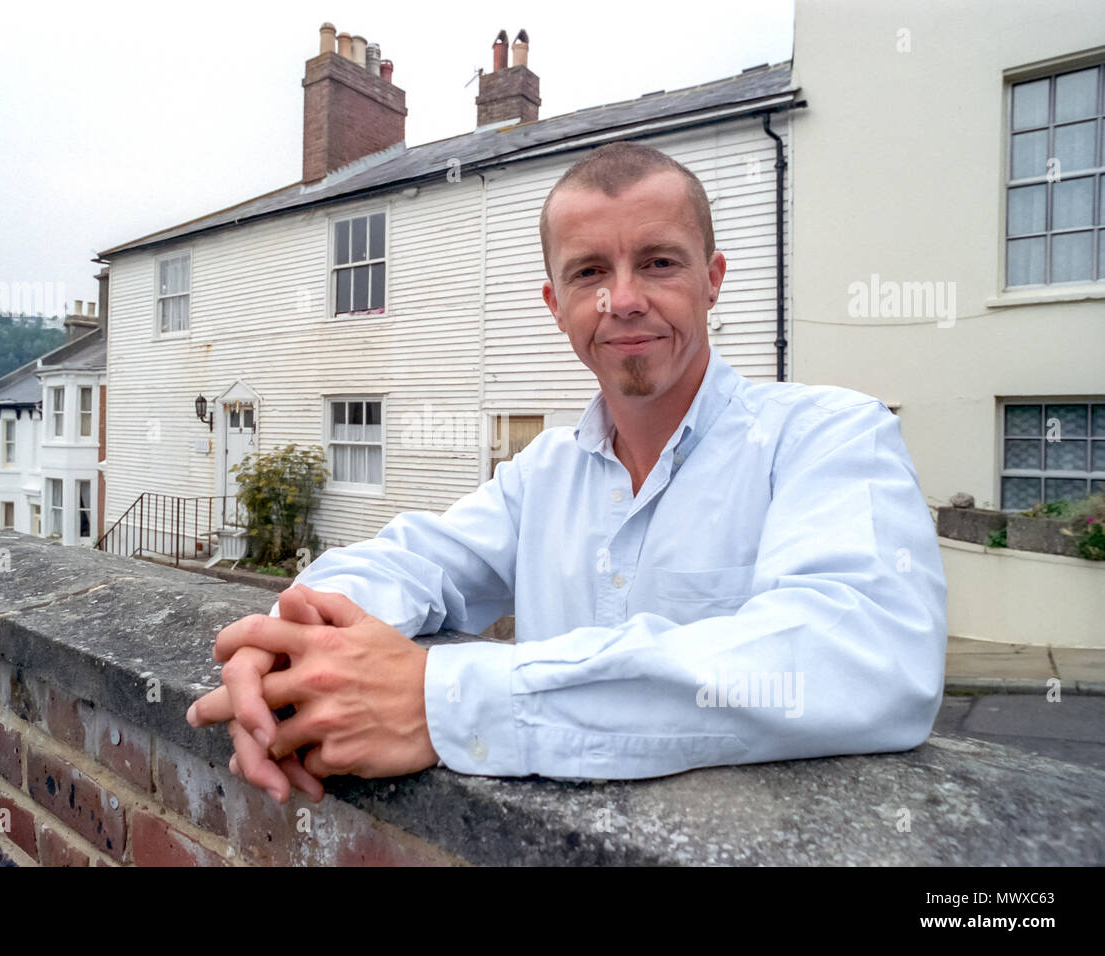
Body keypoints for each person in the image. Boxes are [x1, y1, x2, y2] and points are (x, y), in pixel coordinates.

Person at [186, 141, 947, 805]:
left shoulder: (829, 436)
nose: (623, 300)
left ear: (712, 279)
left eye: (657, 262)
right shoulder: (544, 471)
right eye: (590, 272)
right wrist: (292, 644)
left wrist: (443, 700)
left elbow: (861, 655)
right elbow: (417, 560)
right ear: (556, 304)